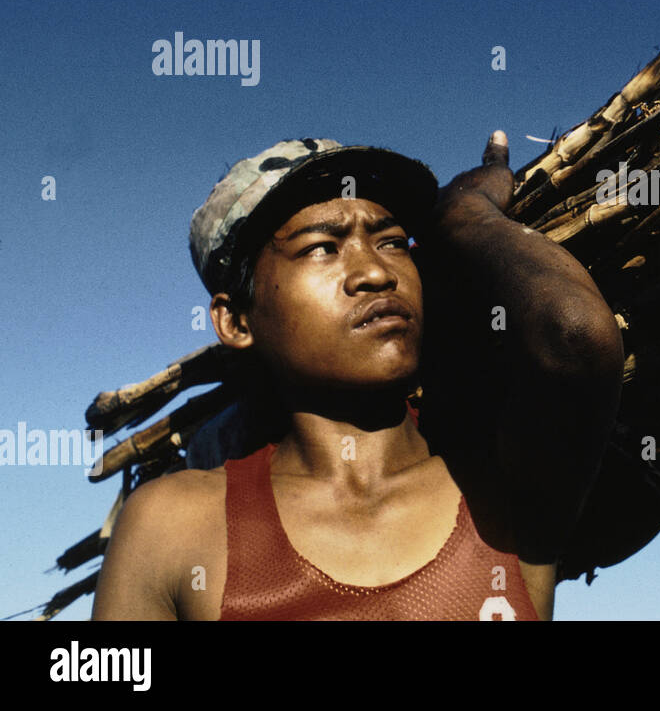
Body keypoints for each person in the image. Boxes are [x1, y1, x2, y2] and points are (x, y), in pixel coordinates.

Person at [91, 133, 624, 620]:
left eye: (392, 242)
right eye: (321, 248)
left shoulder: (500, 482)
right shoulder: (174, 527)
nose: (375, 272)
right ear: (236, 321)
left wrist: (465, 216)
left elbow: (575, 337)